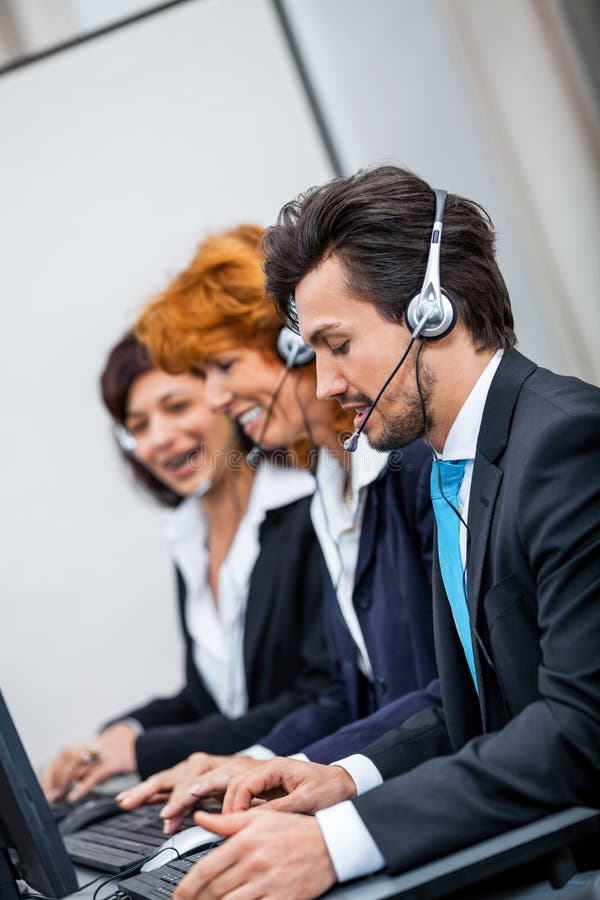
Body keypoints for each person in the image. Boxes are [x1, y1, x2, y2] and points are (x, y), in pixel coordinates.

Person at [162, 166, 600, 900]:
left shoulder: (566, 444)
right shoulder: (452, 463)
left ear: (434, 312)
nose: (326, 384)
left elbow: (579, 728)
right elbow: (476, 704)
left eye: (337, 344)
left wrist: (339, 844)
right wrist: (340, 777)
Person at [115, 223, 438, 832]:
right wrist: (252, 763)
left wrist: (313, 772)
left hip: (440, 806)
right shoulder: (329, 489)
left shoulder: (411, 467)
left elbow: (455, 693)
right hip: (399, 794)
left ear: (297, 345)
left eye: (224, 366)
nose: (215, 398)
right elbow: (349, 693)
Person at [42, 331, 331, 803]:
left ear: (225, 398)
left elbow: (321, 697)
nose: (158, 439)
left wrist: (144, 751)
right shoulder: (189, 536)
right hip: (246, 802)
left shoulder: (307, 512)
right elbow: (211, 699)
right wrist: (120, 736)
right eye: (137, 425)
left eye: (176, 407)